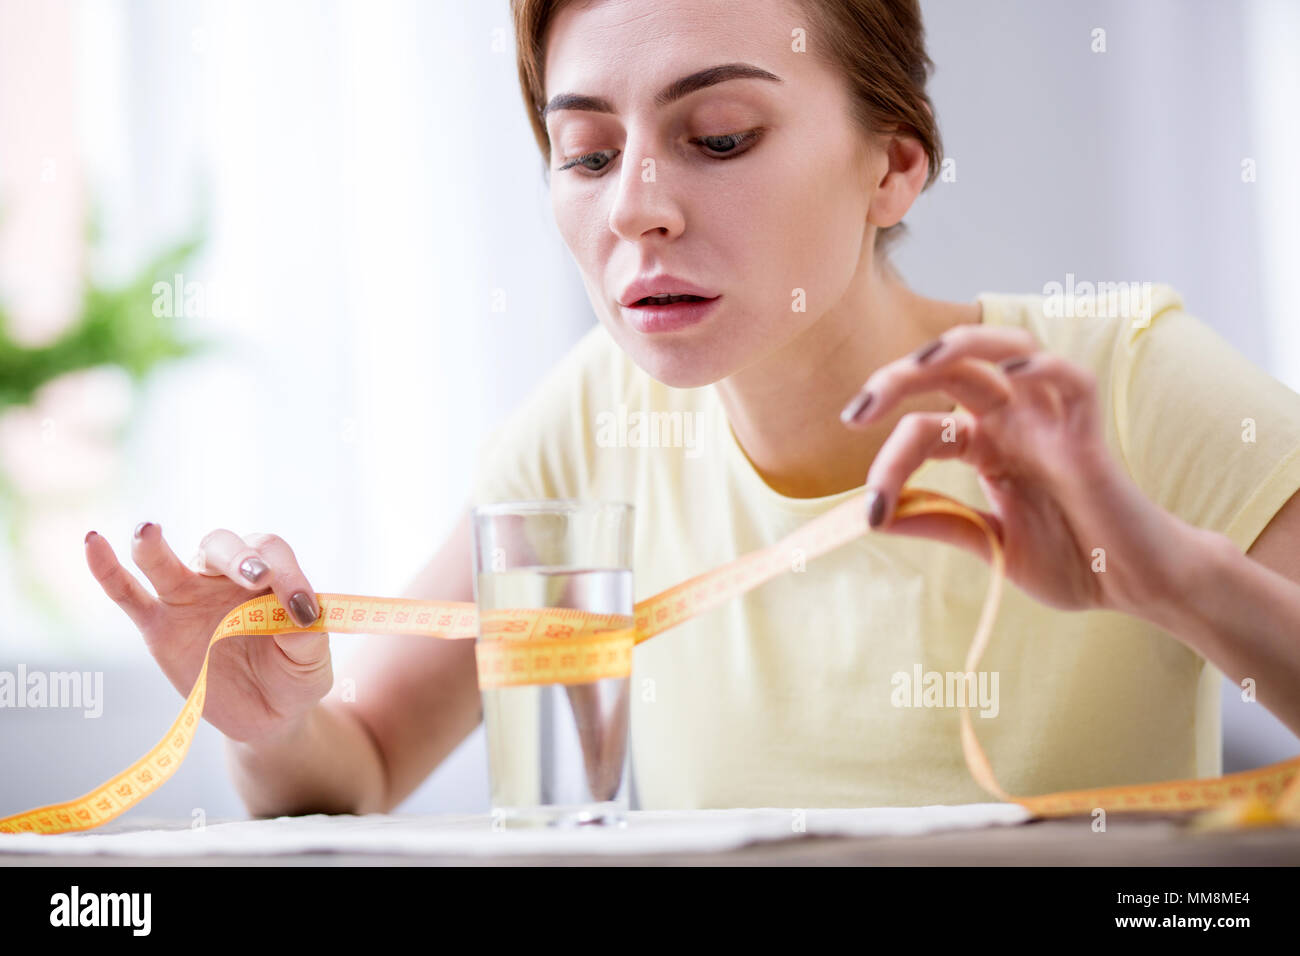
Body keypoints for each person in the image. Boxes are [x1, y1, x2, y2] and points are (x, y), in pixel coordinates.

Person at [85, 0, 1300, 816]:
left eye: (717, 136)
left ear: (894, 165)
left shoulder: (1119, 383)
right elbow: (359, 765)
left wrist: (1168, 577)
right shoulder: (588, 424)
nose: (635, 209)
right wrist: (269, 718)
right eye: (588, 153)